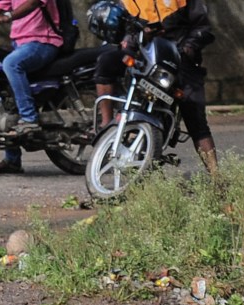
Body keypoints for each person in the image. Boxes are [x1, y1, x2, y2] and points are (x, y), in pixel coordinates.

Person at [93, 0, 219, 175]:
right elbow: (124, 24)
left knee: (195, 116)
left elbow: (203, 28)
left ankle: (217, 178)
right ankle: (105, 125)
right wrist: (128, 41)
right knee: (106, 61)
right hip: (144, 50)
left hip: (179, 56)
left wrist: (187, 49)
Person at [0, 0, 65, 175]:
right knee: (3, 88)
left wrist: (7, 17)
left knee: (11, 64)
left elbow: (33, 3)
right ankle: (12, 160)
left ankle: (29, 118)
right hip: (20, 44)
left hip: (42, 41)